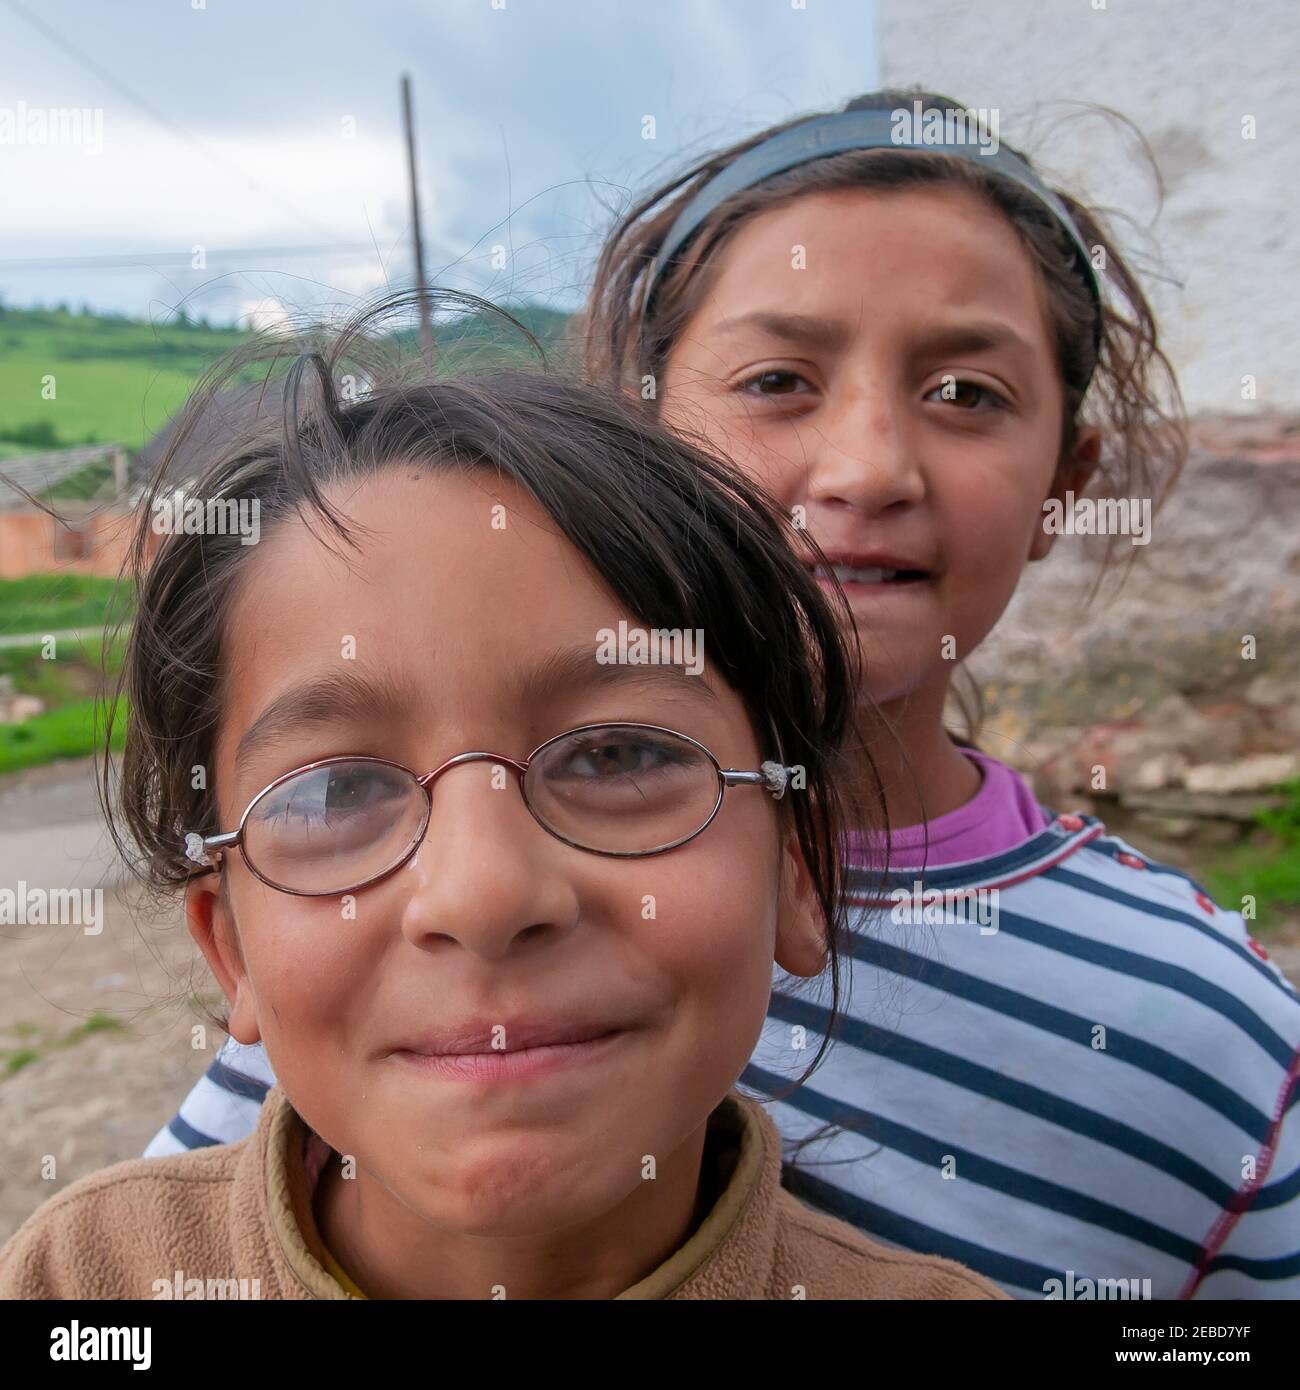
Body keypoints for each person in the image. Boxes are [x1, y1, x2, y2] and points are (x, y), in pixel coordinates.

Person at [148, 91, 1300, 1299]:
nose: (867, 469)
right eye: (775, 380)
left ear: (1068, 482)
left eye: (966, 392)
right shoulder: (376, 944)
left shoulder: (1209, 1034)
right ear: (632, 427)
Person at [0, 295, 1002, 1300]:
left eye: (616, 755)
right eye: (336, 789)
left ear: (795, 866)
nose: (483, 895)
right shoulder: (85, 1281)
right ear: (231, 950)